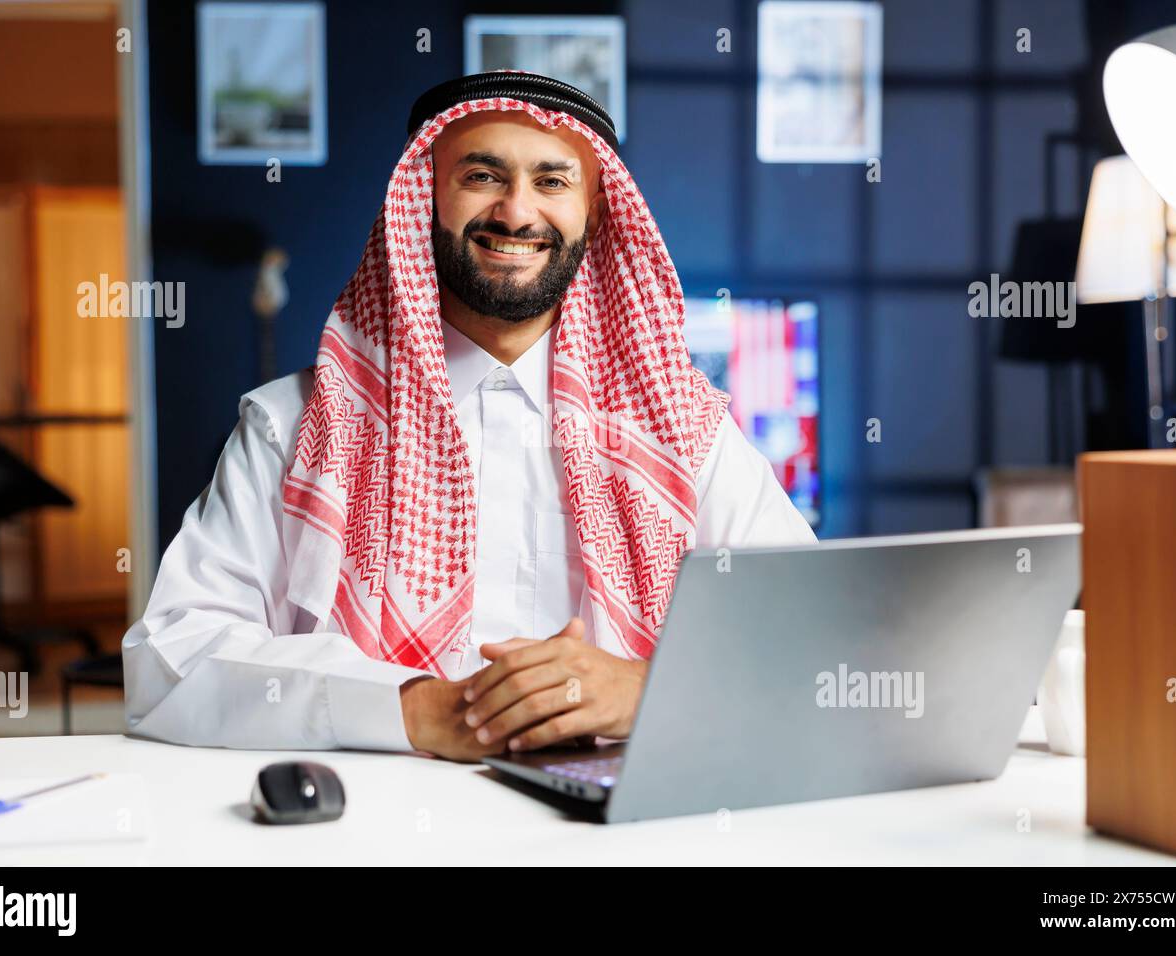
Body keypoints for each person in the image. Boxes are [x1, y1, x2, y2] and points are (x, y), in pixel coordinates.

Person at [123, 72, 816, 762]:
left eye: (552, 181)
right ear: (423, 197)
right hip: (370, 822)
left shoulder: (682, 431)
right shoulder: (295, 425)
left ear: (596, 212)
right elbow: (170, 662)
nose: (516, 213)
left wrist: (646, 690)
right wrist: (417, 709)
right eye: (483, 175)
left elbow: (812, 635)